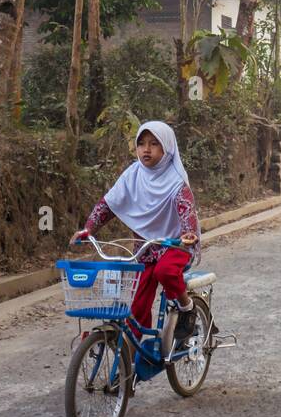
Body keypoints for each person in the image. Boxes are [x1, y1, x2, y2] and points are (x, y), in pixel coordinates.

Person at [70, 121, 200, 350]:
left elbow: (186, 211)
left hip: (176, 245)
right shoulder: (132, 175)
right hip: (146, 249)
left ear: (167, 148)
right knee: (137, 302)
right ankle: (130, 356)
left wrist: (188, 233)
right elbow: (108, 204)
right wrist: (89, 228)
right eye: (141, 144)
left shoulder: (176, 181)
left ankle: (187, 307)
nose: (146, 150)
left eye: (153, 144)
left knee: (165, 271)